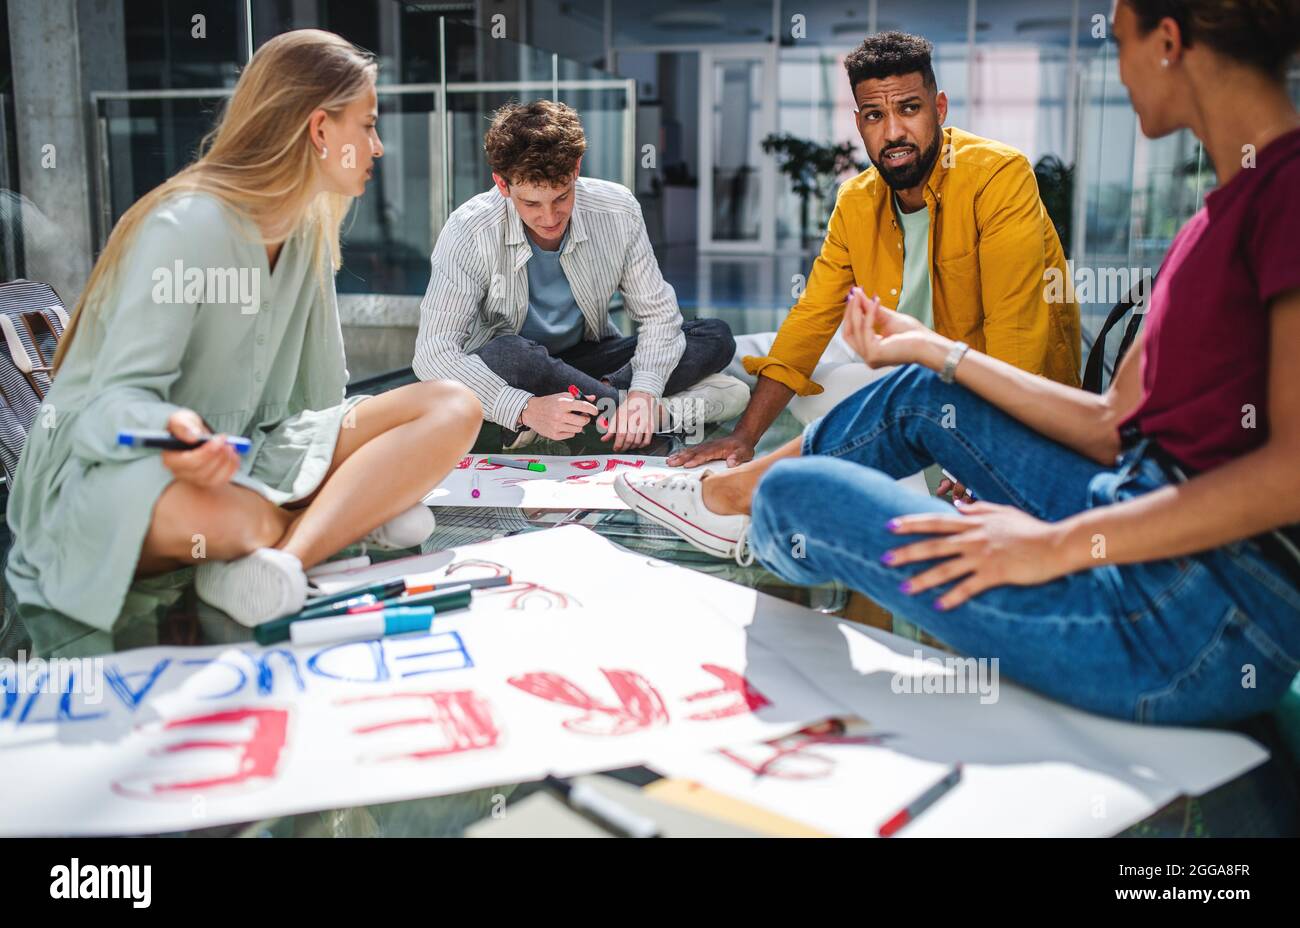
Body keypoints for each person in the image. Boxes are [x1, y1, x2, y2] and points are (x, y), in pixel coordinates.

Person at [618, 0, 1300, 726]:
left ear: (1167, 41)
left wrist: (1048, 545)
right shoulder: (1219, 212)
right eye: (873, 115)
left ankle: (754, 510)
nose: (1120, 68)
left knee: (797, 497)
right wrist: (929, 347)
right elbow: (1112, 426)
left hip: (1202, 621)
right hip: (1143, 519)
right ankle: (728, 500)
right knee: (914, 390)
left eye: (1121, 40)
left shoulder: (1284, 193)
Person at [5, 30, 481, 629]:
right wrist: (174, 430)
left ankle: (283, 558)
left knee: (455, 406)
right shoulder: (186, 226)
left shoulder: (307, 229)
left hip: (256, 455)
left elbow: (322, 402)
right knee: (224, 518)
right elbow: (109, 406)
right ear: (318, 130)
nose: (378, 146)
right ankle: (338, 524)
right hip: (121, 473)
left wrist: (341, 457)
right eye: (366, 126)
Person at [670, 31, 1082, 493]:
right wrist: (744, 438)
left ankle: (757, 497)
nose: (892, 133)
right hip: (914, 376)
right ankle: (887, 509)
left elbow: (1016, 336)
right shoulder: (857, 200)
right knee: (803, 383)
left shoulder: (998, 177)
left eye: (909, 108)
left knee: (862, 402)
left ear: (939, 108)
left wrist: (989, 452)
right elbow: (810, 320)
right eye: (874, 115)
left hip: (999, 394)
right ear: (859, 122)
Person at [413, 100, 748, 453]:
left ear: (576, 168)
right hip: (515, 371)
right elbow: (433, 354)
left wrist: (643, 390)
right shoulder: (469, 228)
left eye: (561, 197)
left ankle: (595, 411)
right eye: (531, 204)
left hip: (588, 358)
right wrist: (525, 407)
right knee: (508, 353)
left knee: (714, 335)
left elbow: (659, 315)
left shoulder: (618, 209)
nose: (549, 217)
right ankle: (647, 420)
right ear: (502, 184)